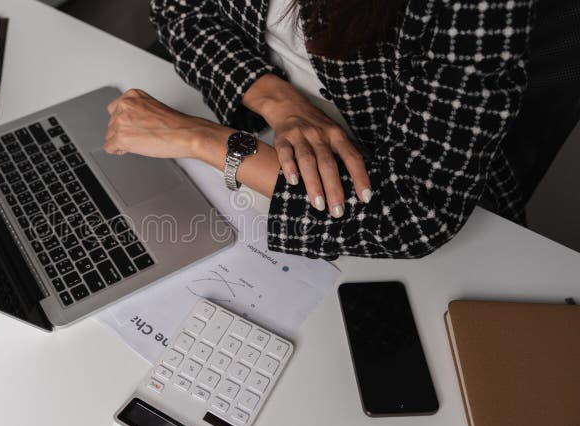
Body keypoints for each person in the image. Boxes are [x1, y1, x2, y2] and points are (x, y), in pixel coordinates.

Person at [103, 0, 535, 260]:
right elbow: (180, 12)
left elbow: (416, 214)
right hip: (261, 128)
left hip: (390, 190)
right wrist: (277, 100)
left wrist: (198, 139)